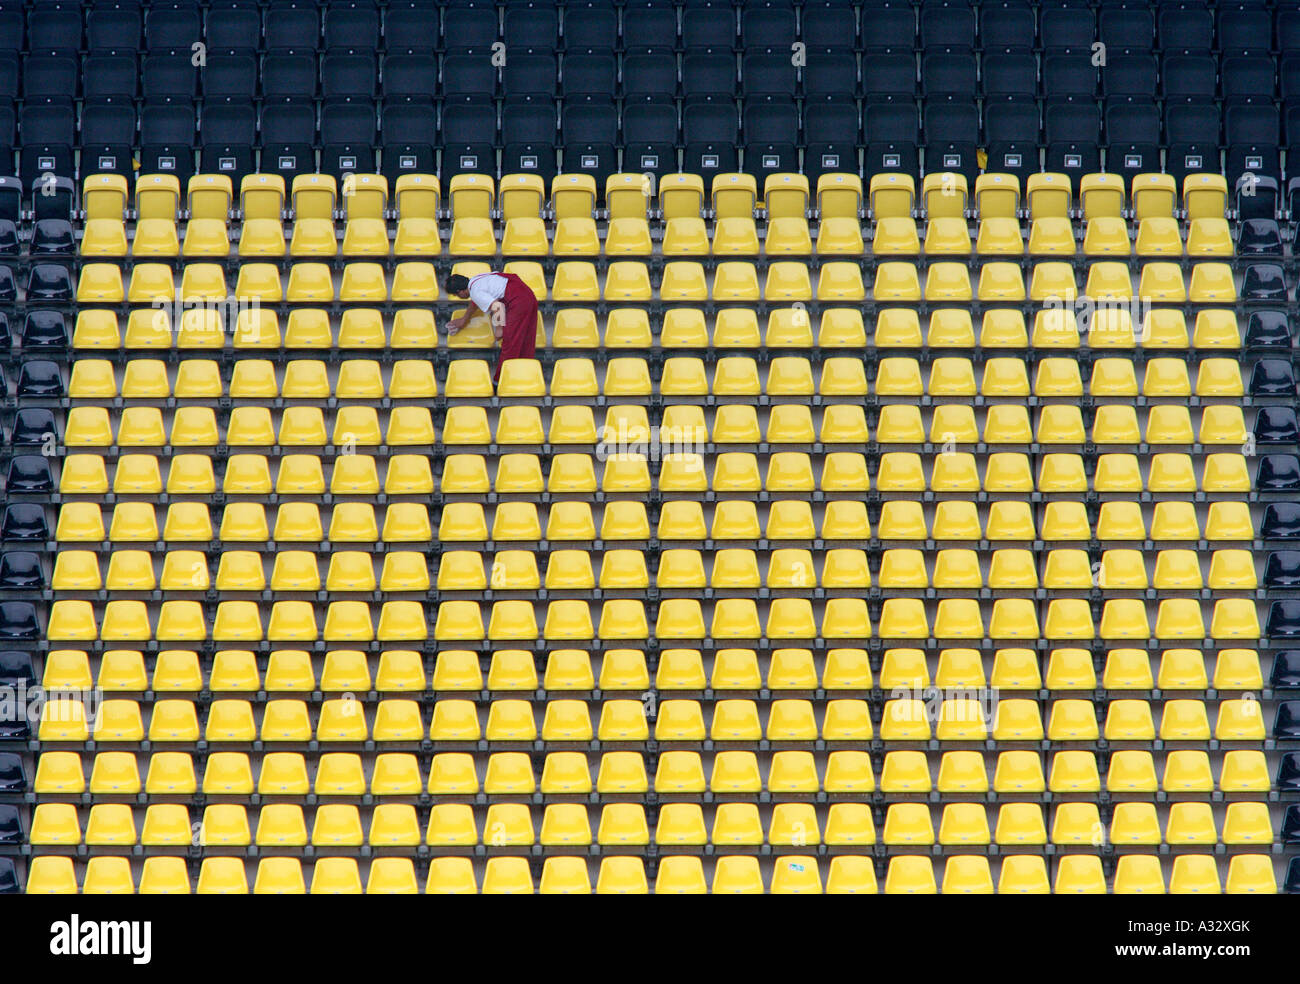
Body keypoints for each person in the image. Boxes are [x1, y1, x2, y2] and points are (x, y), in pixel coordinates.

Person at [444, 271, 539, 381]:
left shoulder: (475, 292)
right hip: (527, 295)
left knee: (510, 343)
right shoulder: (475, 281)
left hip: (518, 301)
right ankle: (525, 375)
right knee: (526, 340)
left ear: (460, 292)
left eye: (456, 295)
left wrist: (499, 330)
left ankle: (500, 381)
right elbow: (475, 302)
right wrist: (464, 319)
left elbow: (498, 306)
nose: (458, 297)